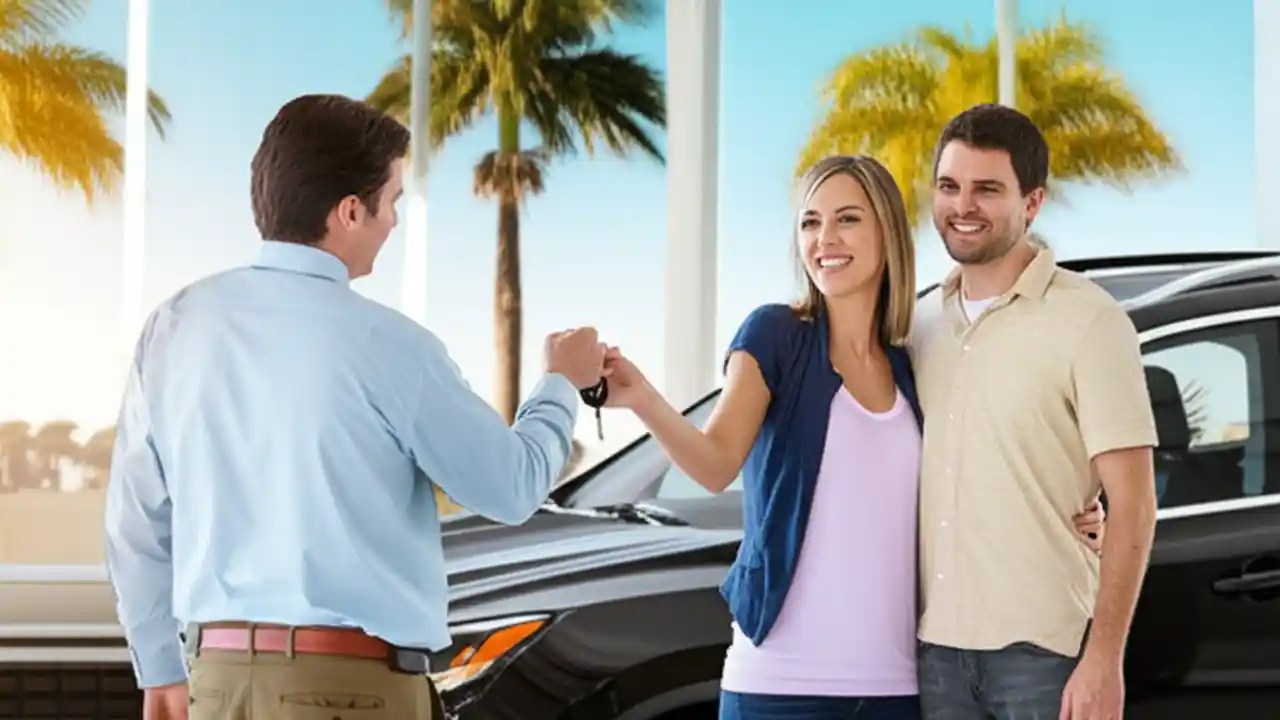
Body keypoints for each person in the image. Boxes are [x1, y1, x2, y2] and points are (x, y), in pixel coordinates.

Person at [103, 94, 605, 720]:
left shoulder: (174, 326)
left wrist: (159, 669)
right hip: (348, 692)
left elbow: (136, 521)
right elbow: (511, 487)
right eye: (392, 200)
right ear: (349, 211)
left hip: (214, 686)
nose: (393, 221)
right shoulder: (389, 344)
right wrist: (561, 382)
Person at [599, 154, 1104, 720]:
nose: (825, 239)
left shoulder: (914, 359)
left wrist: (1074, 507)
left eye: (847, 219)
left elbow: (978, 466)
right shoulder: (776, 336)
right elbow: (715, 464)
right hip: (779, 686)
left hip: (896, 689)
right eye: (810, 222)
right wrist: (641, 397)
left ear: (886, 232)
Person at [911, 103, 1158, 720]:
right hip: (933, 655)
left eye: (987, 189)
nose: (963, 206)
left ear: (1033, 202)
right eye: (949, 186)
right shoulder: (917, 326)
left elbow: (1133, 503)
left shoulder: (1091, 321)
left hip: (1046, 657)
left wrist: (1104, 659)